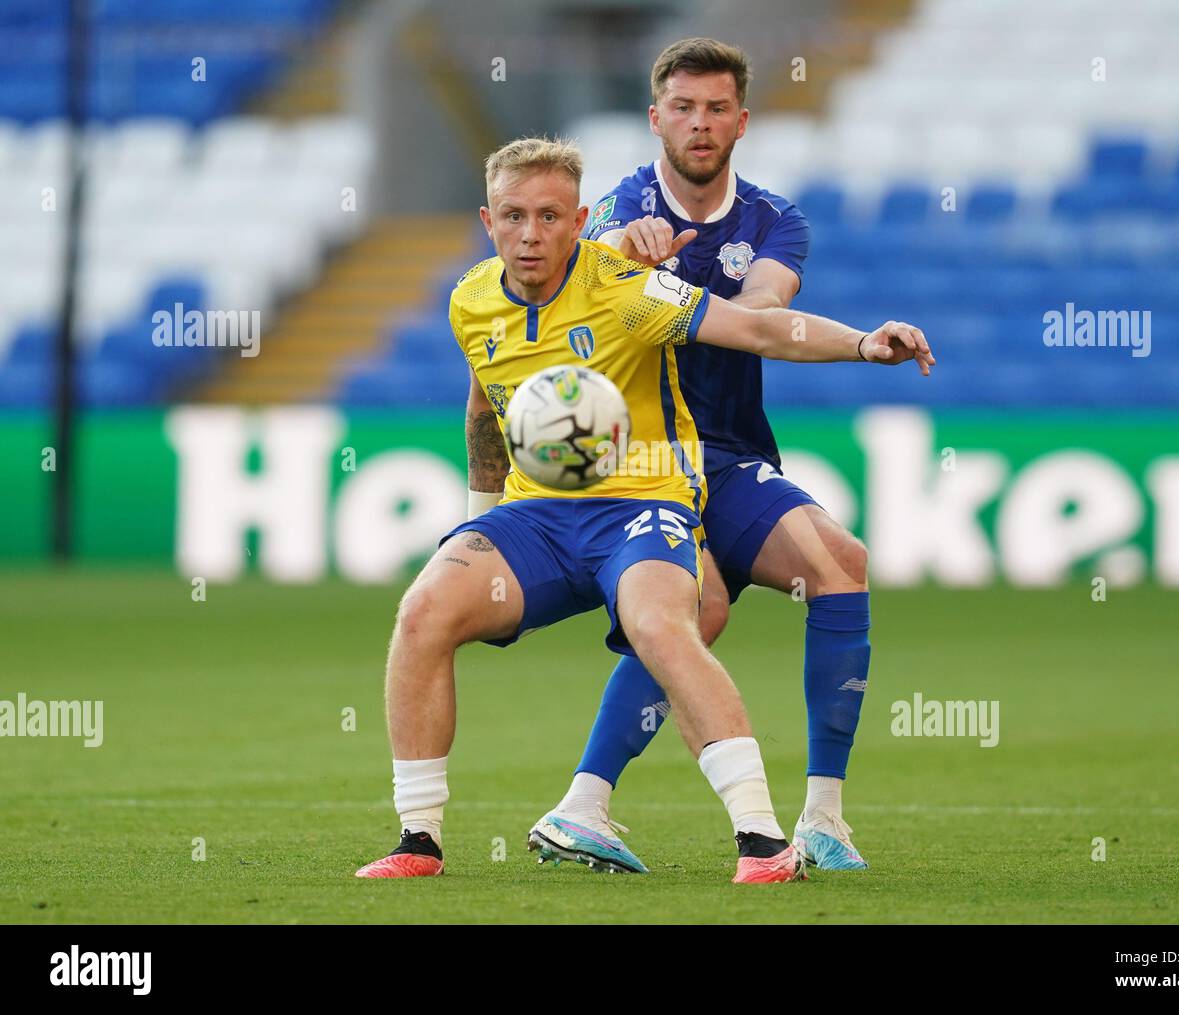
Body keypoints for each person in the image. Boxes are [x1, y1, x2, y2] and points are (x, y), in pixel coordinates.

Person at [355, 135, 933, 884]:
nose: (531, 235)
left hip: (644, 500)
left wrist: (863, 344)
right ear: (487, 219)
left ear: (581, 220)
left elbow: (756, 327)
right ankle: (418, 841)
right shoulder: (470, 298)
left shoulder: (627, 286)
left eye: (550, 217)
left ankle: (761, 842)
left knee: (665, 623)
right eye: (513, 216)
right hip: (535, 518)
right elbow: (482, 406)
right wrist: (476, 519)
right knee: (423, 609)